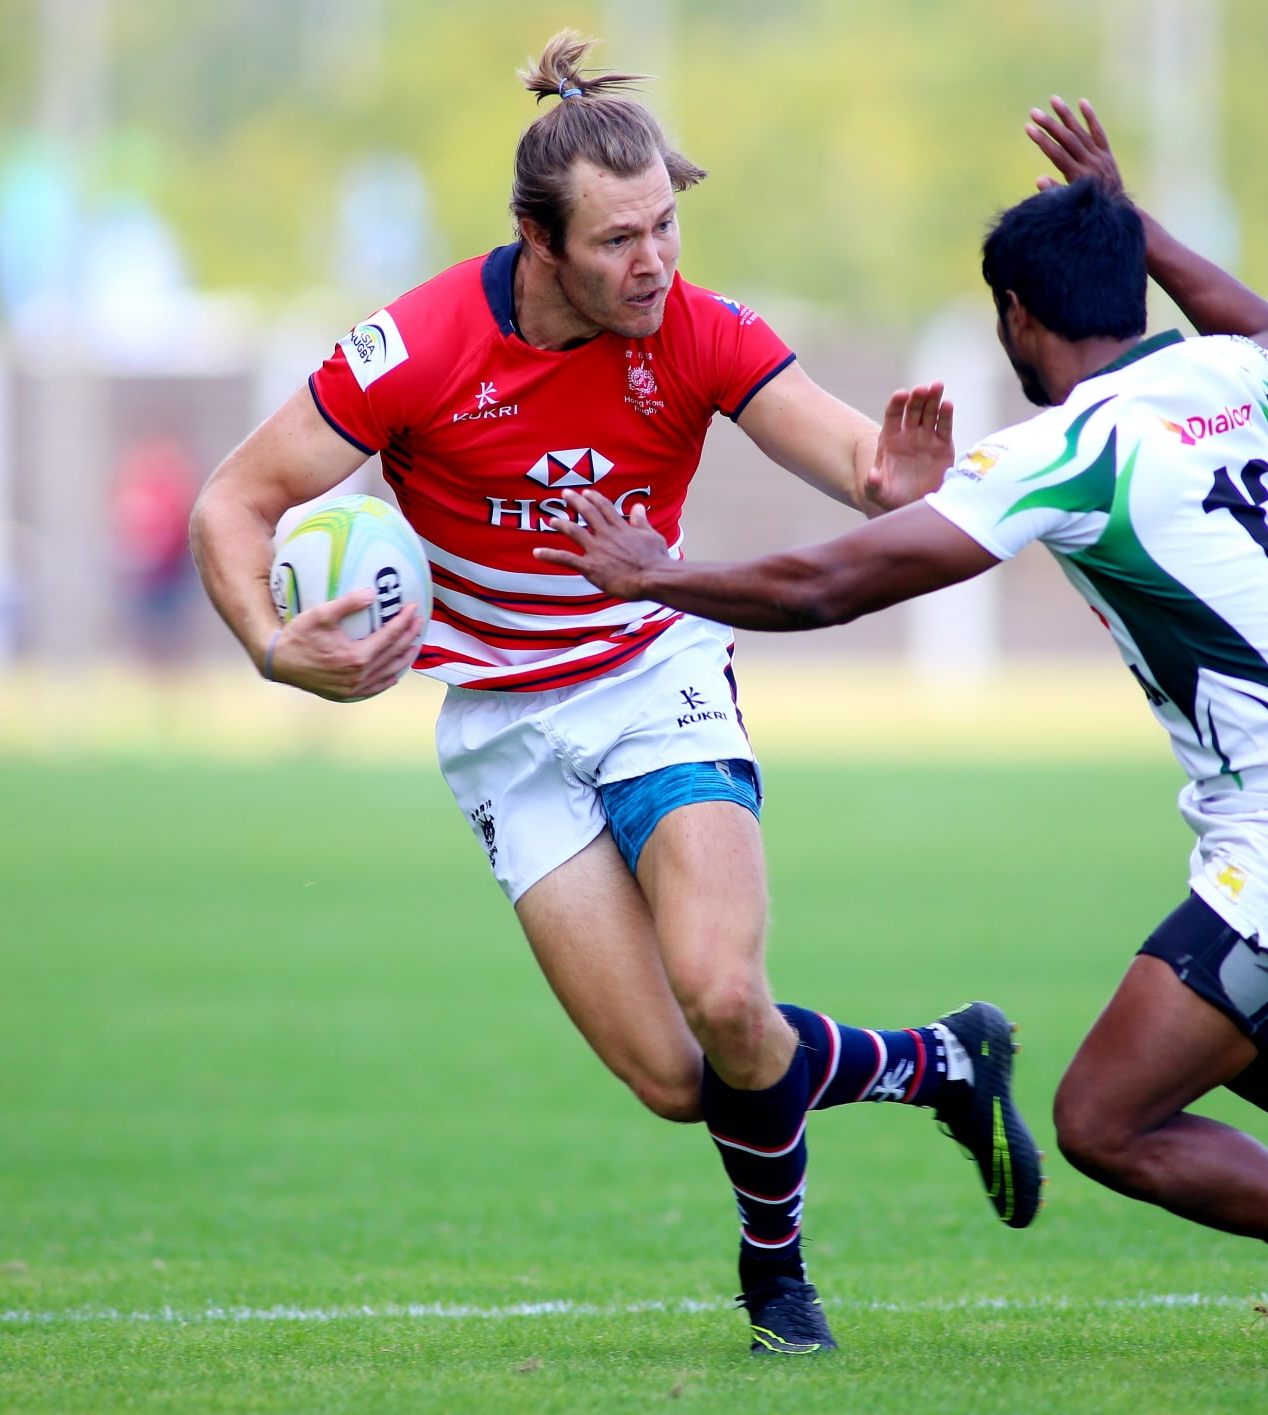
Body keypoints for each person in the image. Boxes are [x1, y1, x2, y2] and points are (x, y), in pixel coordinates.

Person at [538, 97, 1268, 1383]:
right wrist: (1136, 222)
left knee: (1105, 1117)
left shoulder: (1070, 448)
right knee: (1259, 1054)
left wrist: (659, 576)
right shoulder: (1218, 374)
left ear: (1016, 321)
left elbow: (829, 586)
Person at [188, 32, 1041, 1357]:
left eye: (667, 227)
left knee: (726, 993)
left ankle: (778, 1280)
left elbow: (856, 461)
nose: (655, 262)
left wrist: (897, 477)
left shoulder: (697, 330)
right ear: (539, 243)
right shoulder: (415, 346)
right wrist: (267, 642)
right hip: (504, 730)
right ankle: (939, 1059)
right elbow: (234, 498)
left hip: (656, 677)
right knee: (674, 1077)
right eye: (619, 241)